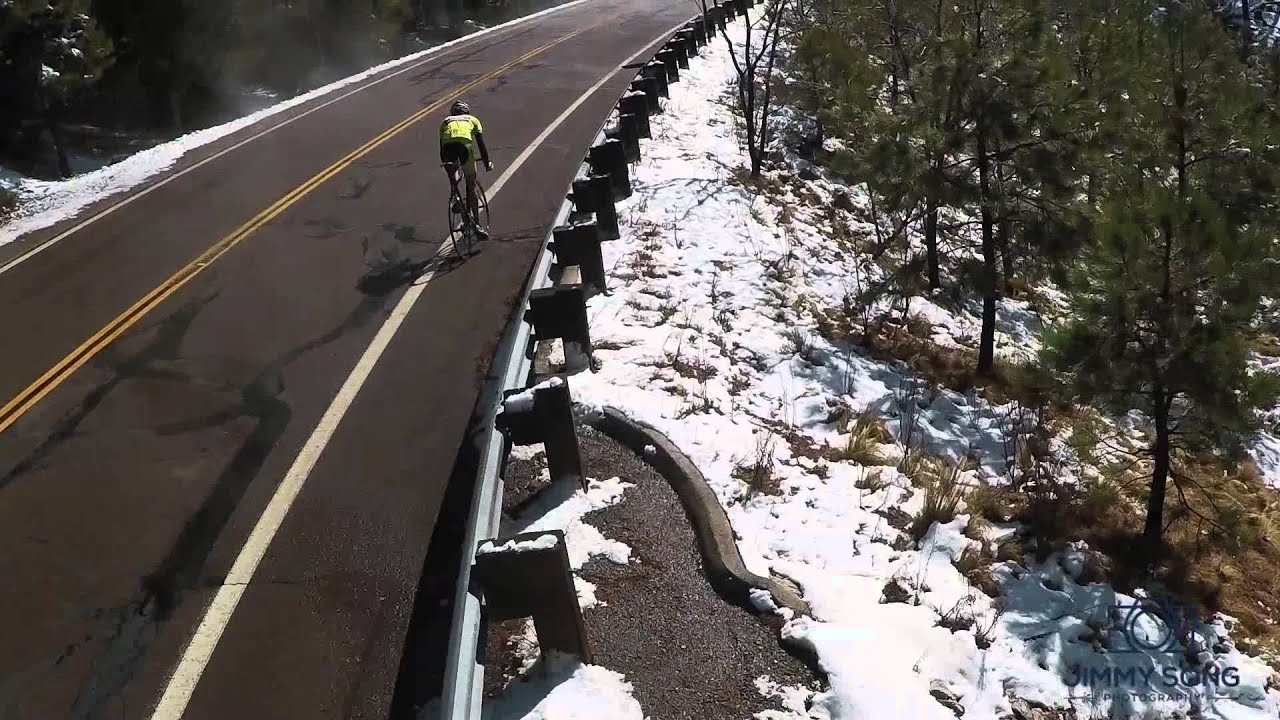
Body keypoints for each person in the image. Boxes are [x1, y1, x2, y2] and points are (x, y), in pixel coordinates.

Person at [439, 100, 493, 239]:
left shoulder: (446, 121)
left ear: (452, 113)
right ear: (466, 112)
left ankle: (456, 197)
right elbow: (481, 145)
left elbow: (441, 149)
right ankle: (476, 224)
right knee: (471, 185)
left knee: (454, 176)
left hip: (447, 150)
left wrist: (448, 170)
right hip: (464, 148)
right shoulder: (472, 119)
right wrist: (487, 163)